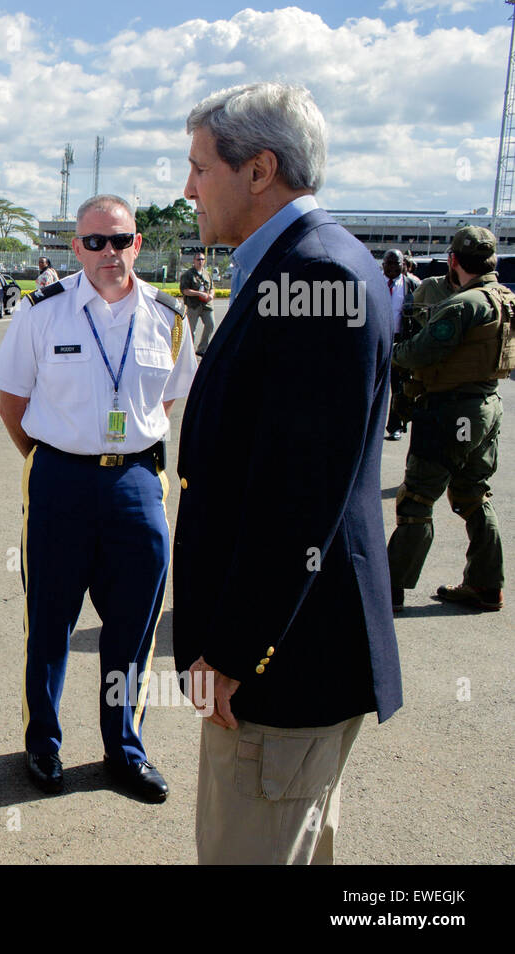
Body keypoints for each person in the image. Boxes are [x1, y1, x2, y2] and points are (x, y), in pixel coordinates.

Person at [175, 82, 403, 864]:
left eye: (200, 167)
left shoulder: (317, 278)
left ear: (260, 169)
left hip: (281, 667)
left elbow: (295, 499)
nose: (188, 187)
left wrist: (233, 654)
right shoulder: (306, 264)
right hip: (296, 650)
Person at [0, 194, 196, 803]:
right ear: (76, 247)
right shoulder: (41, 311)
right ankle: (43, 744)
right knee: (49, 624)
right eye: (97, 241)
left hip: (136, 483)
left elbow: (168, 400)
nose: (111, 252)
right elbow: (10, 404)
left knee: (133, 628)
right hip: (59, 480)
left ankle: (124, 750)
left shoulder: (169, 316)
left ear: (138, 243)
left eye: (123, 239)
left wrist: (126, 443)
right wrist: (53, 459)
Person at [387, 226, 509, 612]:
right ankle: (487, 586)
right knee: (473, 495)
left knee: (417, 501)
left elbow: (417, 353)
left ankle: (388, 590)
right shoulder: (504, 298)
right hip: (487, 405)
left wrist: (392, 351)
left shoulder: (463, 305)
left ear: (454, 260)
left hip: (451, 410)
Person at [382, 249, 409, 440]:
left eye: (396, 263)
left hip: (400, 340)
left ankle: (395, 426)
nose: (392, 267)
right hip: (379, 339)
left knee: (398, 387)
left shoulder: (413, 285)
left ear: (403, 265)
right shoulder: (371, 282)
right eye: (388, 263)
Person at [179, 251, 215, 355]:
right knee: (191, 330)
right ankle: (188, 352)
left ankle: (202, 349)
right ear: (194, 261)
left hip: (206, 305)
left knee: (210, 325)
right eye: (198, 259)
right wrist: (199, 294)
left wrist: (211, 295)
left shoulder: (207, 274)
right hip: (193, 306)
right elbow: (185, 290)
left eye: (202, 259)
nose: (200, 261)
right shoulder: (188, 274)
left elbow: (212, 288)